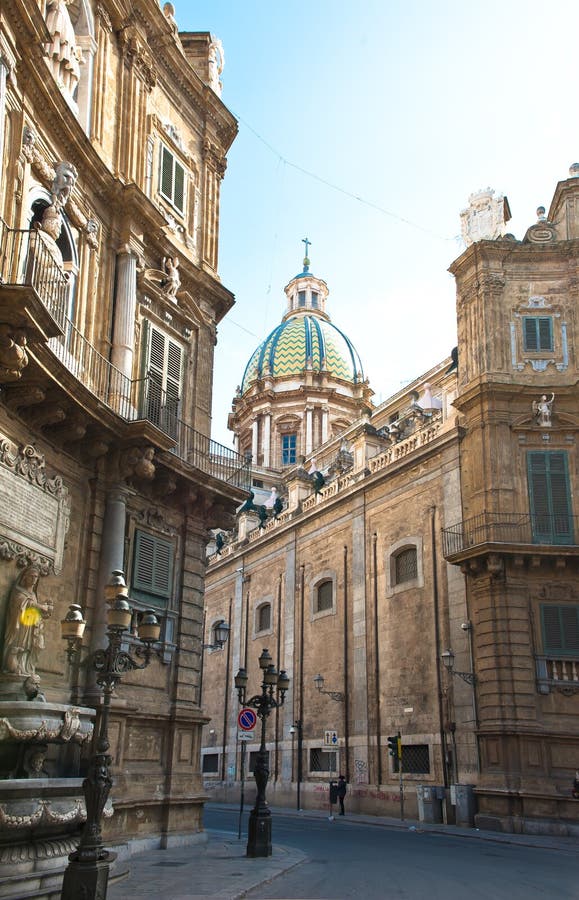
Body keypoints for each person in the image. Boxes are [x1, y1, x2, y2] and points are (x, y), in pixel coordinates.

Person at [2, 565, 53, 677]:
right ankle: (14, 667)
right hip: (21, 625)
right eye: (32, 576)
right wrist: (40, 606)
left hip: (31, 626)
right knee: (19, 645)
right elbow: (22, 604)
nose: (34, 579)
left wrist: (45, 610)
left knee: (29, 647)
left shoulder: (33, 594)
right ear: (25, 577)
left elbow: (34, 609)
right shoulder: (18, 590)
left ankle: (25, 667)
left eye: (36, 577)